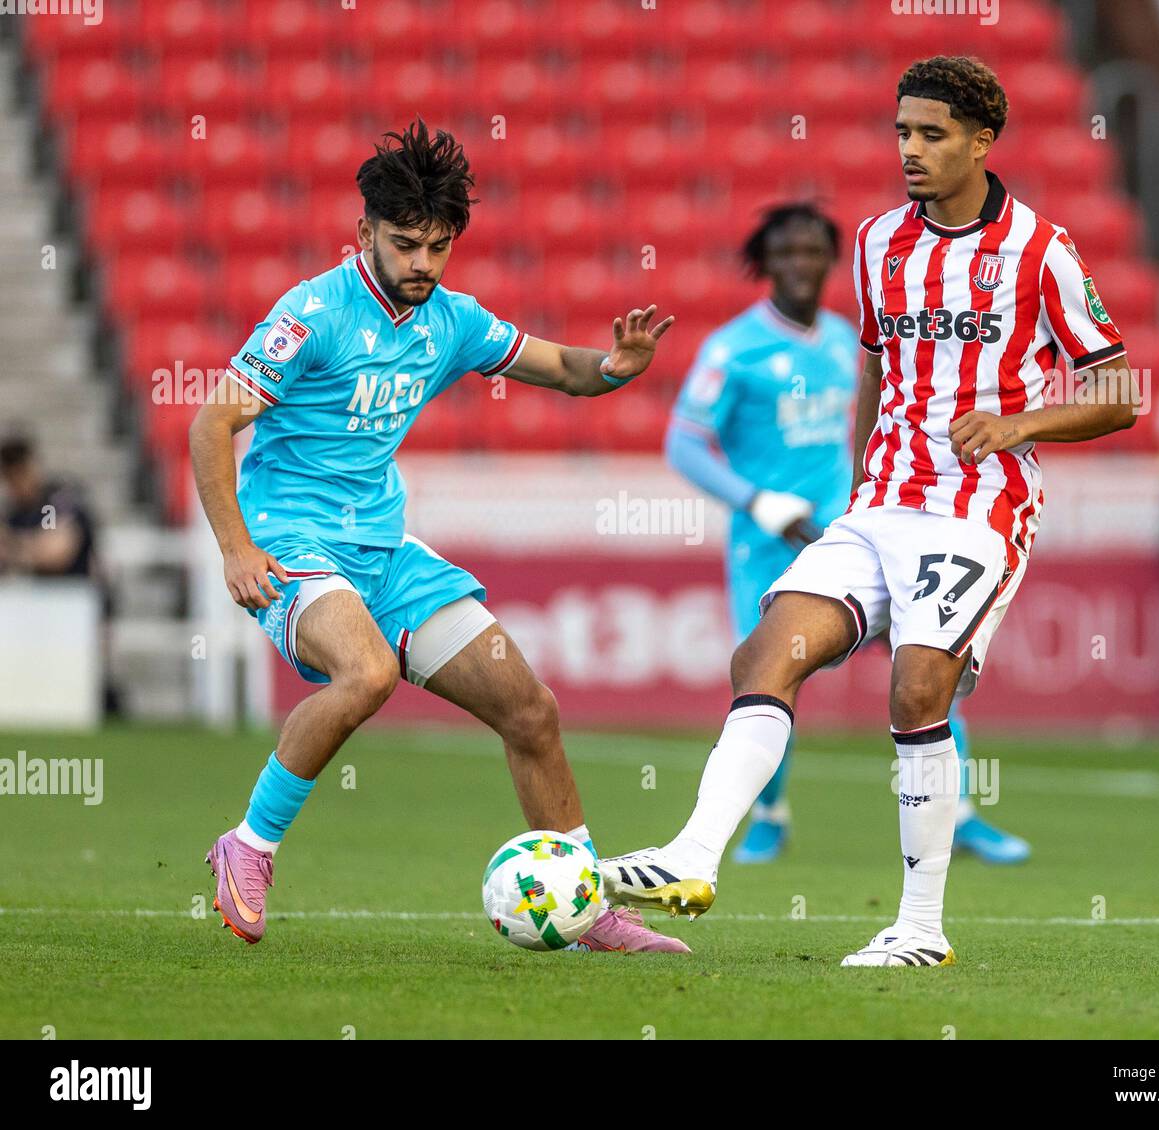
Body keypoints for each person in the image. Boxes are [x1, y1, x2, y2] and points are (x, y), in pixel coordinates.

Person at [601, 55, 1136, 968]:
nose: (912, 150)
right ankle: (692, 858)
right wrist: (857, 487)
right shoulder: (881, 239)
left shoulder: (1042, 250)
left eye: (932, 134)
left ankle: (920, 930)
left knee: (916, 692)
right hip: (879, 505)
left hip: (978, 510)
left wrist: (1018, 424)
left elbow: (1120, 391)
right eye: (902, 132)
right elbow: (877, 370)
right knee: (762, 653)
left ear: (981, 140)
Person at [190, 120, 684, 953]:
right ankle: (250, 844)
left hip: (386, 555)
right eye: (404, 244)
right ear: (364, 234)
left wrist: (613, 367)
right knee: (367, 672)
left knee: (530, 709)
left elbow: (560, 369)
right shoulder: (310, 314)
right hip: (293, 542)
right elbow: (212, 422)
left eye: (438, 246)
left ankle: (588, 904)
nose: (422, 262)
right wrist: (238, 549)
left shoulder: (452, 320)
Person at [666, 202, 1028, 865]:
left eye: (813, 252)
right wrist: (760, 501)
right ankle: (767, 818)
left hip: (859, 532)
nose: (800, 264)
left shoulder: (847, 341)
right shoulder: (733, 349)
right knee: (770, 674)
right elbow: (684, 446)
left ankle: (963, 815)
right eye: (786, 253)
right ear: (765, 264)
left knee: (929, 662)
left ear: (832, 261)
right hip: (767, 545)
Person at [0, 432, 96, 579]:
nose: (17, 481)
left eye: (21, 471)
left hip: (73, 592)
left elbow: (54, 552)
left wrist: (14, 543)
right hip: (35, 596)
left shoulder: (55, 500)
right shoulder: (14, 513)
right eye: (11, 475)